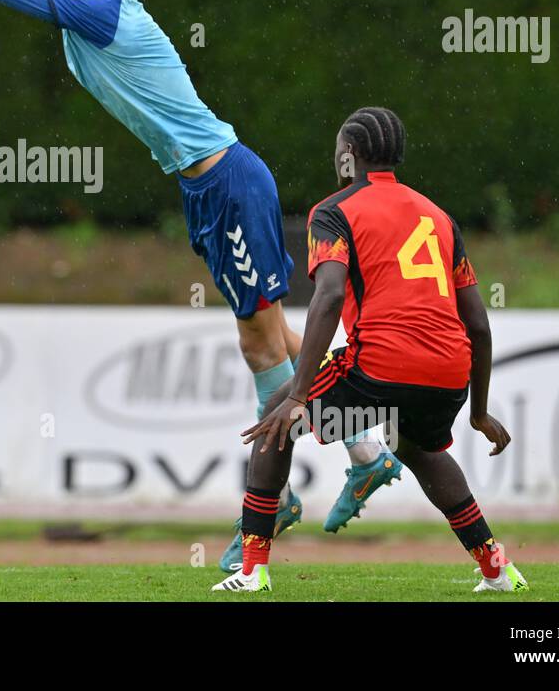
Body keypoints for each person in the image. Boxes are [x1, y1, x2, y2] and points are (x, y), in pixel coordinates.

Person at [0, 0, 402, 562]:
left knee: (260, 341)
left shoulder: (99, 5)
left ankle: (287, 489)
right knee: (267, 339)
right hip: (206, 189)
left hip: (230, 183)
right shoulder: (94, 2)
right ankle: (359, 448)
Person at [214, 107, 527, 594]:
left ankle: (252, 569)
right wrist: (479, 411)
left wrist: (298, 395)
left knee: (277, 422)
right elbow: (479, 326)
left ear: (349, 155)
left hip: (379, 366)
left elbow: (330, 294)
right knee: (415, 446)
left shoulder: (334, 210)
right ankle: (496, 567)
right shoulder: (439, 216)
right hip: (449, 372)